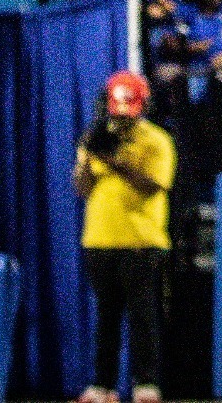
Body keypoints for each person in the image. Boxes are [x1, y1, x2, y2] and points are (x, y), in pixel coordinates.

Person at [73, 71, 176, 403]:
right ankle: (103, 385)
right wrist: (88, 162)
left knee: (143, 315)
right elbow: (83, 189)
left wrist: (116, 162)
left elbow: (153, 186)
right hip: (100, 240)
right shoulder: (95, 137)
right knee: (106, 315)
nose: (122, 121)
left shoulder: (156, 140)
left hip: (141, 241)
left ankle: (145, 384)